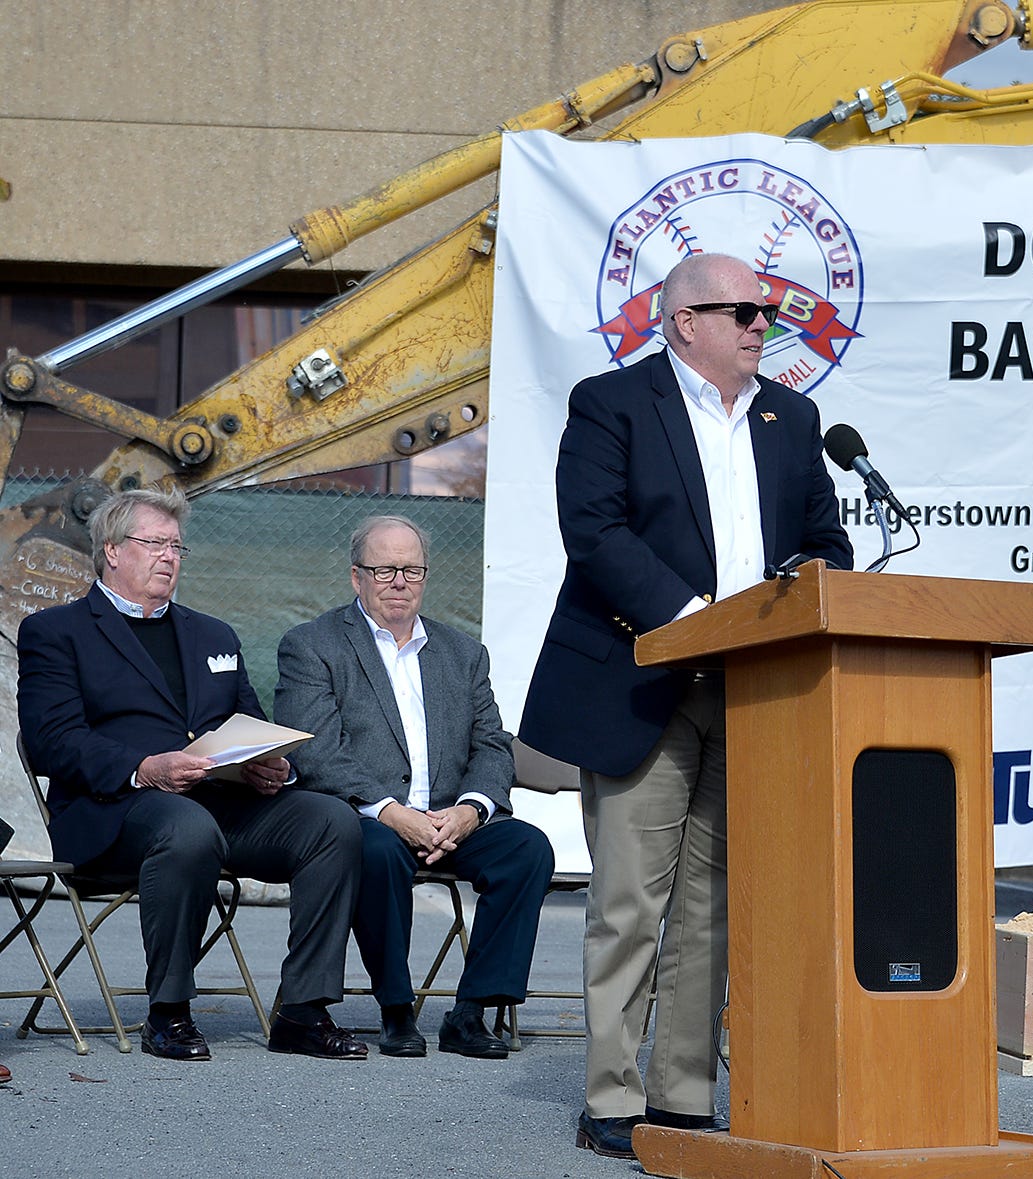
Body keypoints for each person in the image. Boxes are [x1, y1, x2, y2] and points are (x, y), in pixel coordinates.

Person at [520, 253, 853, 1159]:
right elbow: (593, 530)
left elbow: (828, 540)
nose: (761, 324)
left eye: (767, 309)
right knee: (630, 900)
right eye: (742, 310)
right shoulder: (613, 403)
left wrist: (806, 593)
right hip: (643, 677)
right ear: (683, 323)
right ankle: (612, 1098)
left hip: (752, 693)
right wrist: (694, 617)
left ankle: (680, 1095)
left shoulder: (794, 419)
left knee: (712, 904)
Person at [17, 486, 365, 1061]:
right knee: (185, 827)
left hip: (220, 805)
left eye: (177, 546)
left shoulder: (214, 635)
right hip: (115, 813)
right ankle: (169, 1012)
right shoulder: (57, 632)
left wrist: (264, 763)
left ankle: (303, 1010)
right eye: (154, 543)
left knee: (331, 821)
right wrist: (144, 768)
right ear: (110, 550)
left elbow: (246, 722)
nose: (168, 556)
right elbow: (53, 743)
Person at [275, 515, 554, 1059]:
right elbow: (314, 749)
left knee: (527, 849)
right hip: (368, 818)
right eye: (384, 570)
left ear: (425, 577)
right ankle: (396, 1011)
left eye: (411, 569)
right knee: (374, 851)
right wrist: (387, 810)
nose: (399, 581)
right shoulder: (312, 646)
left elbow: (492, 746)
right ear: (357, 577)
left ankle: (471, 1013)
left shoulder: (463, 653)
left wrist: (472, 809)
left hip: (454, 818)